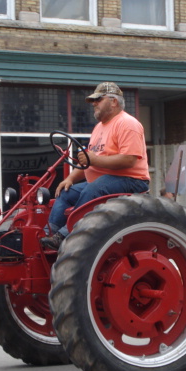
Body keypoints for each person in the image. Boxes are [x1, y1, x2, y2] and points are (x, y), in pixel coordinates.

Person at [41, 82, 150, 250]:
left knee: (94, 189)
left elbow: (129, 160)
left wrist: (93, 161)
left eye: (98, 99)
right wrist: (70, 178)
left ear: (114, 102)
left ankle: (65, 235)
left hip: (132, 180)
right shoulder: (99, 127)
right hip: (102, 181)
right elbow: (88, 161)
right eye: (93, 101)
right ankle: (49, 233)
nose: (94, 104)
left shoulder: (128, 124)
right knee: (66, 192)